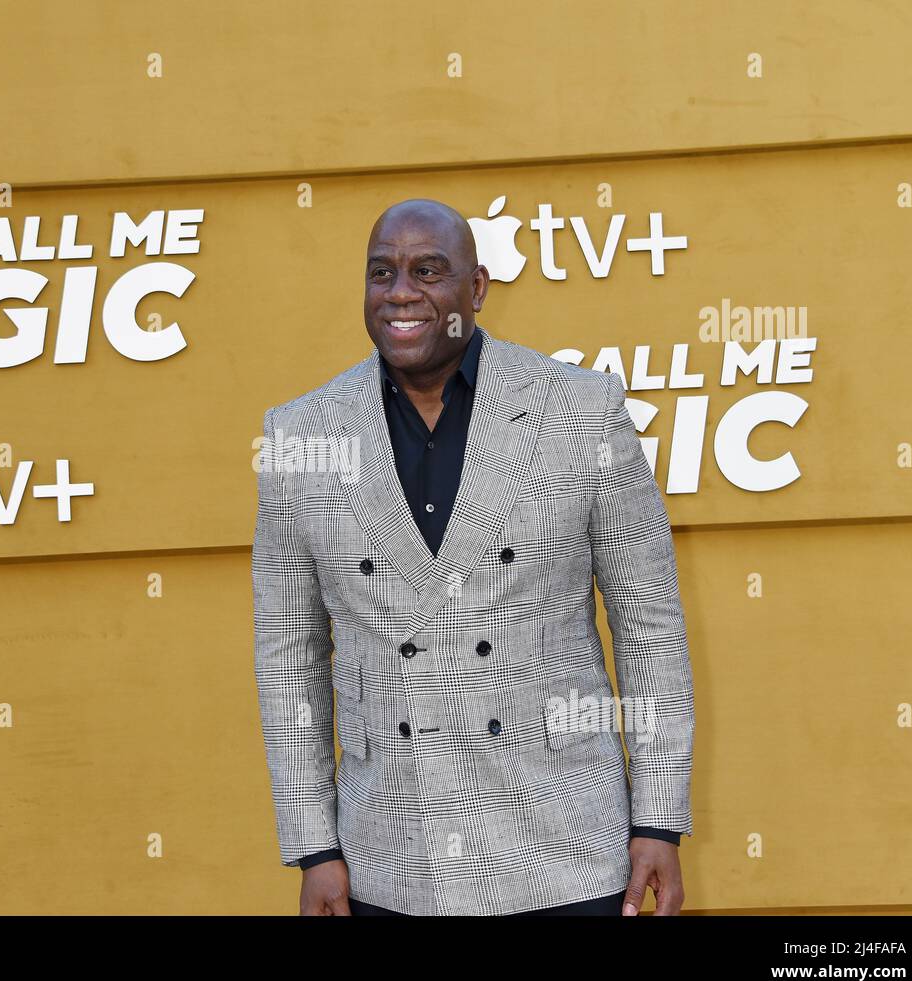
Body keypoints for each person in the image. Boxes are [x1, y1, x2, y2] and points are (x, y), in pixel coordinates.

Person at [251, 198, 695, 916]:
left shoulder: (580, 411)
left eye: (428, 270)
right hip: (388, 855)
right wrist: (314, 846)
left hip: (566, 850)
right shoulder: (300, 435)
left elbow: (648, 626)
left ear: (477, 289)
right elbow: (288, 655)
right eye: (382, 272)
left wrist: (657, 821)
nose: (401, 292)